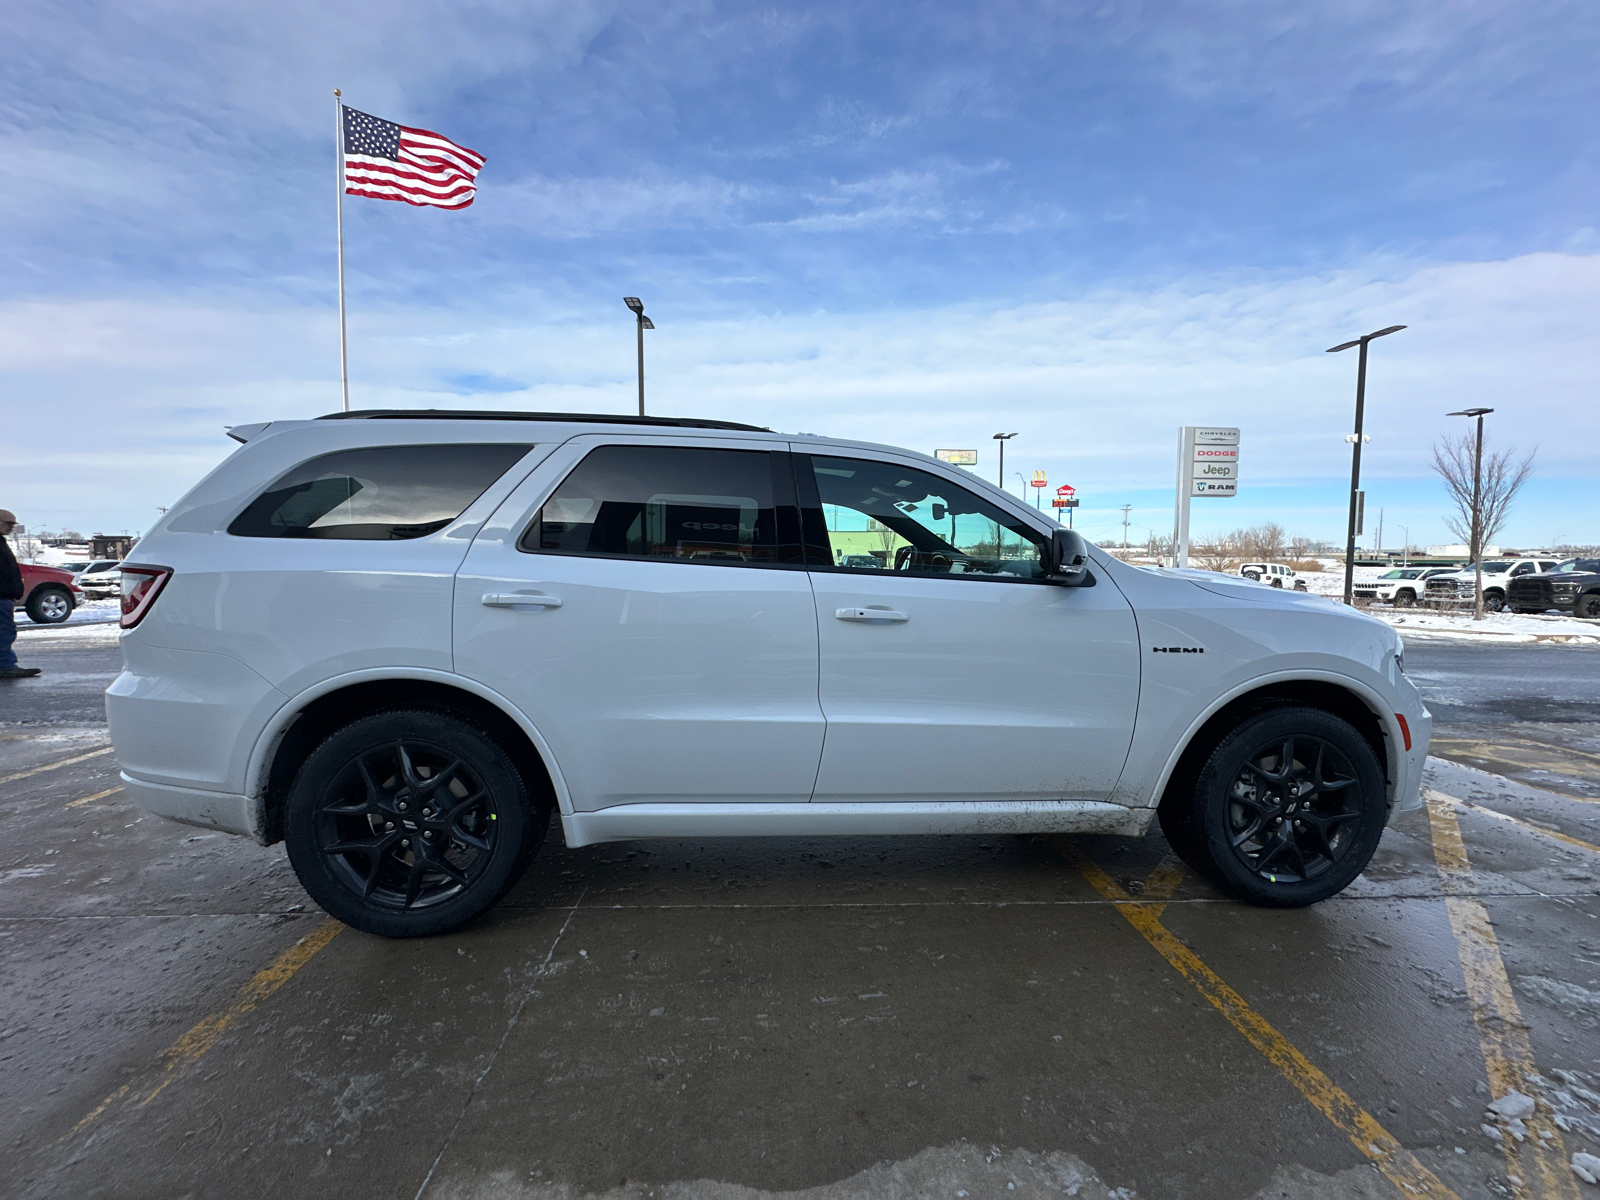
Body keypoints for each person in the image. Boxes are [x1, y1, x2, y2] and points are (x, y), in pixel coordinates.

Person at [0, 509, 42, 679]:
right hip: (1, 597)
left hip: (5, 597)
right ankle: (5, 666)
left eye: (13, 524)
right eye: (7, 523)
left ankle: (6, 664)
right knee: (4, 631)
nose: (11, 528)